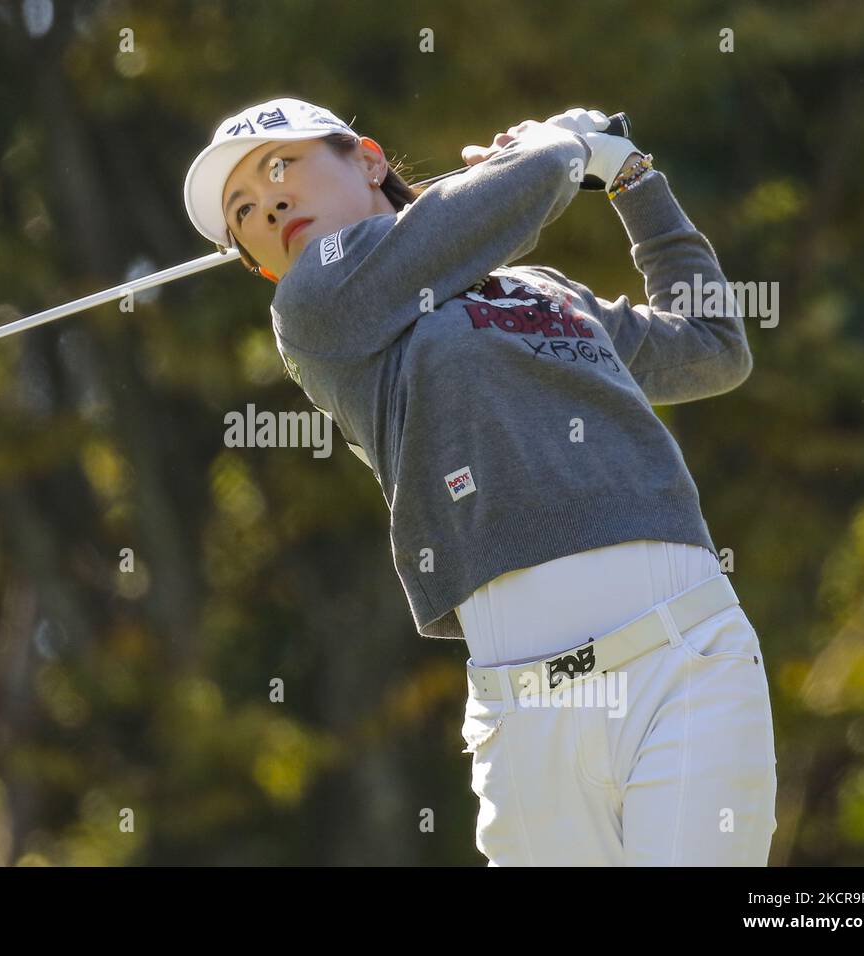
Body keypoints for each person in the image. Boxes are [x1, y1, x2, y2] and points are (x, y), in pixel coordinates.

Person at [182, 97, 777, 866]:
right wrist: (562, 149)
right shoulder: (316, 311)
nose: (272, 203)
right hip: (526, 713)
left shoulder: (543, 288)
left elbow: (711, 348)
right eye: (246, 212)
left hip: (687, 658)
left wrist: (631, 178)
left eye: (279, 167)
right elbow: (498, 200)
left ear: (368, 159)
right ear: (261, 264)